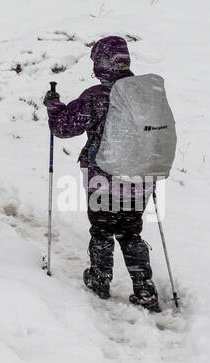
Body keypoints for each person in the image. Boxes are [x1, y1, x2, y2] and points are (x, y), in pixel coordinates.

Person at [43, 36, 160, 311]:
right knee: (131, 233)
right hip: (139, 180)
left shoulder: (97, 97)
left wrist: (53, 106)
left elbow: (64, 127)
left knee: (103, 231)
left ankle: (100, 279)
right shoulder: (144, 94)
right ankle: (145, 290)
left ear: (102, 63)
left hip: (103, 180)